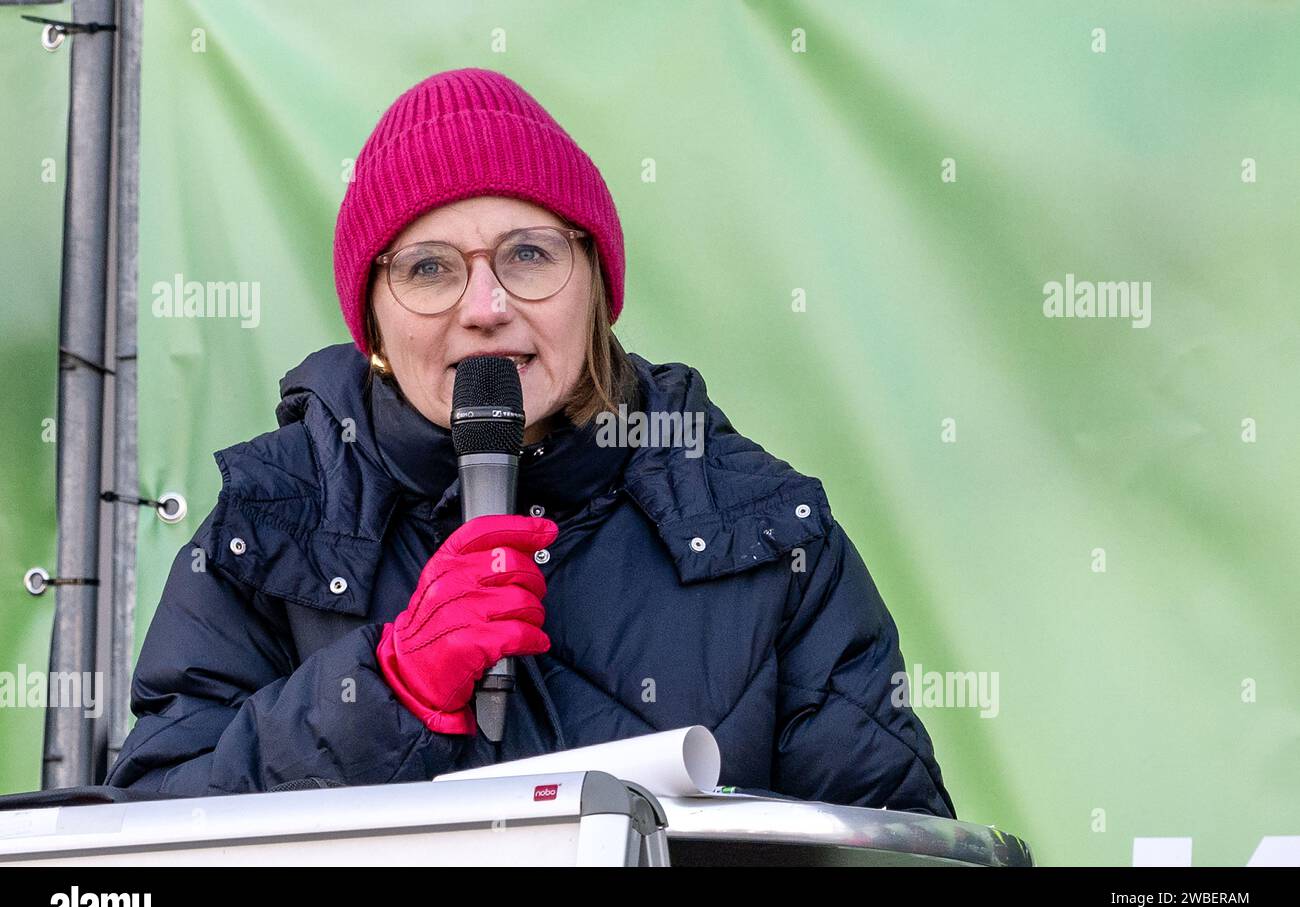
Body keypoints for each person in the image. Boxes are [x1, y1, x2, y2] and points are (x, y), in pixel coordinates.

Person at [105, 67, 956, 817]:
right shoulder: (272, 522)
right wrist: (385, 690)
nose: (485, 306)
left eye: (529, 254)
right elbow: (148, 839)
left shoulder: (766, 530)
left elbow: (887, 835)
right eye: (429, 268)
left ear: (597, 285)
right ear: (371, 319)